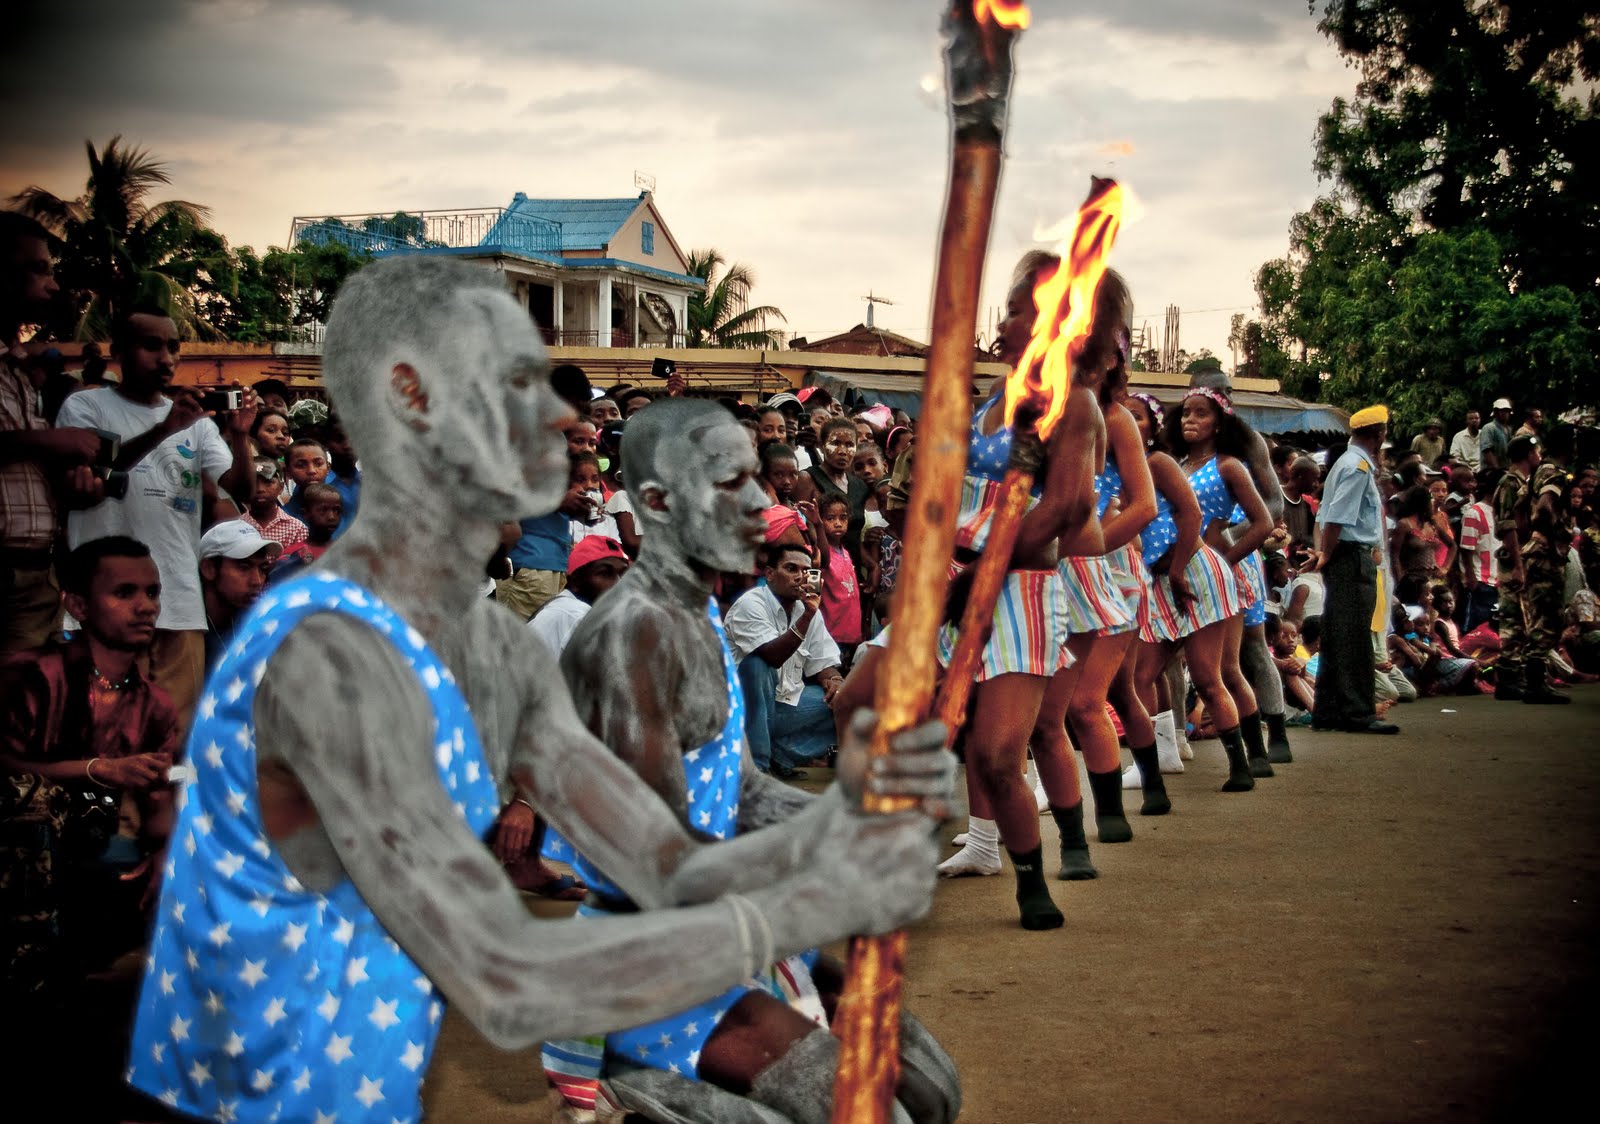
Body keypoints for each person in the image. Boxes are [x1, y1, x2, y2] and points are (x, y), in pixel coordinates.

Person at [127, 254, 953, 1124]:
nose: (565, 449)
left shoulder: (504, 645)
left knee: (901, 1099)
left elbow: (655, 852)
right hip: (263, 1072)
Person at [552, 397, 956, 1121]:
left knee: (928, 1088)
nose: (758, 505)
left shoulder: (699, 611)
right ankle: (635, 1089)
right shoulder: (632, 638)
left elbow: (737, 790)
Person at [935, 254, 1118, 930]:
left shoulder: (1073, 402)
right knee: (927, 731)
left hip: (1019, 591)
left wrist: (985, 565)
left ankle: (1038, 875)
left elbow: (1067, 507)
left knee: (1003, 750)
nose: (1006, 322)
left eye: (1020, 311)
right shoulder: (992, 397)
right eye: (1008, 309)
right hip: (955, 582)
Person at [0, 536, 179, 1113]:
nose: (146, 605)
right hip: (15, 858)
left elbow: (158, 808)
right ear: (77, 604)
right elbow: (6, 771)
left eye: (151, 592)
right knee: (32, 803)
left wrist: (164, 859)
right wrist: (101, 769)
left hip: (91, 853)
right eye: (124, 593)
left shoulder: (153, 703)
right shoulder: (33, 675)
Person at [55, 305, 259, 729]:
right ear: (120, 352)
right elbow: (92, 474)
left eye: (173, 348)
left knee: (172, 739)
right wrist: (164, 430)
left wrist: (240, 435)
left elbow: (241, 491)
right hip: (106, 603)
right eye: (152, 346)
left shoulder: (199, 426)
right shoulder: (85, 407)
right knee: (103, 736)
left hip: (180, 604)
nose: (166, 358)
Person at [0, 212, 109, 652]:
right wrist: (53, 440)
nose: (53, 285)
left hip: (33, 570)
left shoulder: (17, 370)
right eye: (40, 268)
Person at [1165, 386, 1279, 782]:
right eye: (1185, 414)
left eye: (1201, 414)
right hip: (1182, 573)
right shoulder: (1179, 465)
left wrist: (1223, 561)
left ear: (1219, 423)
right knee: (1190, 668)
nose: (1190, 420)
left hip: (1218, 571)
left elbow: (1264, 521)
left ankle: (1254, 755)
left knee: (1226, 670)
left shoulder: (1229, 465)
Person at [1310, 405, 1400, 733]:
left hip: (1342, 554)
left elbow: (1326, 516)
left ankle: (1329, 712)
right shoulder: (1357, 466)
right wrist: (1327, 554)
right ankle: (1358, 713)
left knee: (1338, 635)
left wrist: (1324, 553)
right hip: (1350, 555)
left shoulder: (1344, 463)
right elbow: (1337, 518)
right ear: (1379, 434)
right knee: (1355, 637)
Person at [725, 542, 845, 779]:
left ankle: (780, 757)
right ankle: (757, 769)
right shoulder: (751, 603)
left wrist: (836, 680)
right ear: (769, 574)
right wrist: (807, 617)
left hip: (785, 705)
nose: (799, 577)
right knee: (756, 666)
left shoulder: (807, 609)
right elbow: (773, 656)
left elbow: (823, 662)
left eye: (805, 571)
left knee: (851, 700)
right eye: (791, 569)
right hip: (742, 712)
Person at [1494, 433, 1572, 704]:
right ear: (1529, 453)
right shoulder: (1509, 482)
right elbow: (1507, 527)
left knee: (1519, 620)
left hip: (1523, 555)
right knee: (1515, 618)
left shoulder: (1526, 482)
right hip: (1515, 559)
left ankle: (1514, 678)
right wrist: (1519, 564)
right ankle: (1512, 679)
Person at [197, 519, 280, 671]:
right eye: (244, 567)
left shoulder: (258, 627)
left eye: (262, 569)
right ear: (209, 569)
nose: (257, 581)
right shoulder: (187, 635)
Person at [527, 534, 629, 656]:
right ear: (575, 581)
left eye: (624, 574)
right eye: (605, 574)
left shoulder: (564, 608)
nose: (618, 584)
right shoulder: (577, 615)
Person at [792, 416, 869, 562]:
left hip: (853, 570)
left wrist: (872, 566)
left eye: (849, 444)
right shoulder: (807, 479)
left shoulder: (859, 486)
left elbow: (856, 536)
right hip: (822, 567)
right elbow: (799, 528)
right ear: (821, 445)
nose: (842, 451)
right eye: (835, 443)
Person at [816, 494, 864, 654]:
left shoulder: (846, 552)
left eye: (843, 518)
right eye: (830, 518)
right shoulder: (818, 554)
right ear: (820, 521)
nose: (838, 523)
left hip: (851, 632)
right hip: (831, 633)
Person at [1454, 465, 1498, 631]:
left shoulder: (1501, 512)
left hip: (1497, 581)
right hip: (1481, 581)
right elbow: (1466, 549)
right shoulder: (1475, 513)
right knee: (1478, 628)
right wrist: (1471, 579)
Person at [238, 457, 307, 549]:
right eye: (253, 483)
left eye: (268, 482)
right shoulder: (236, 527)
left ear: (281, 487)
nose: (260, 489)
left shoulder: (296, 529)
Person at [320, 414, 361, 539]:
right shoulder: (316, 485)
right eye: (339, 438)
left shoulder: (370, 484)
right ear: (326, 443)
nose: (348, 446)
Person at [1280, 455, 1321, 567]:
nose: (1317, 484)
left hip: (1297, 567)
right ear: (1300, 477)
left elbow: (1311, 537)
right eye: (1314, 479)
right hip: (1276, 566)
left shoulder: (1306, 505)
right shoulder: (1276, 498)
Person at [1478, 398, 1515, 471]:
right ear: (1496, 412)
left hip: (1506, 469)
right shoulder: (1489, 428)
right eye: (1502, 411)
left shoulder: (1509, 429)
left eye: (1506, 411)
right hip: (1491, 472)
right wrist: (1497, 470)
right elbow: (1487, 451)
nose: (1504, 413)